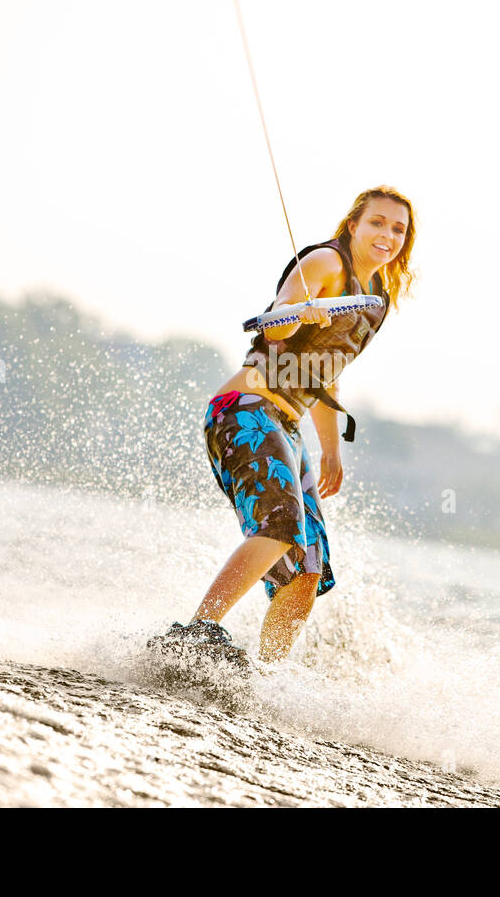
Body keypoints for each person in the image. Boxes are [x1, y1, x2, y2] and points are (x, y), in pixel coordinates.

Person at [172, 185, 417, 665]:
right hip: (244, 410)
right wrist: (298, 311)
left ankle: (263, 679)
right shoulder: (326, 264)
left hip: (286, 424)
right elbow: (274, 325)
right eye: (377, 223)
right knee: (281, 523)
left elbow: (328, 373)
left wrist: (330, 451)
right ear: (353, 226)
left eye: (398, 229)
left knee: (309, 568)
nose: (387, 234)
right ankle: (196, 632)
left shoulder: (374, 300)